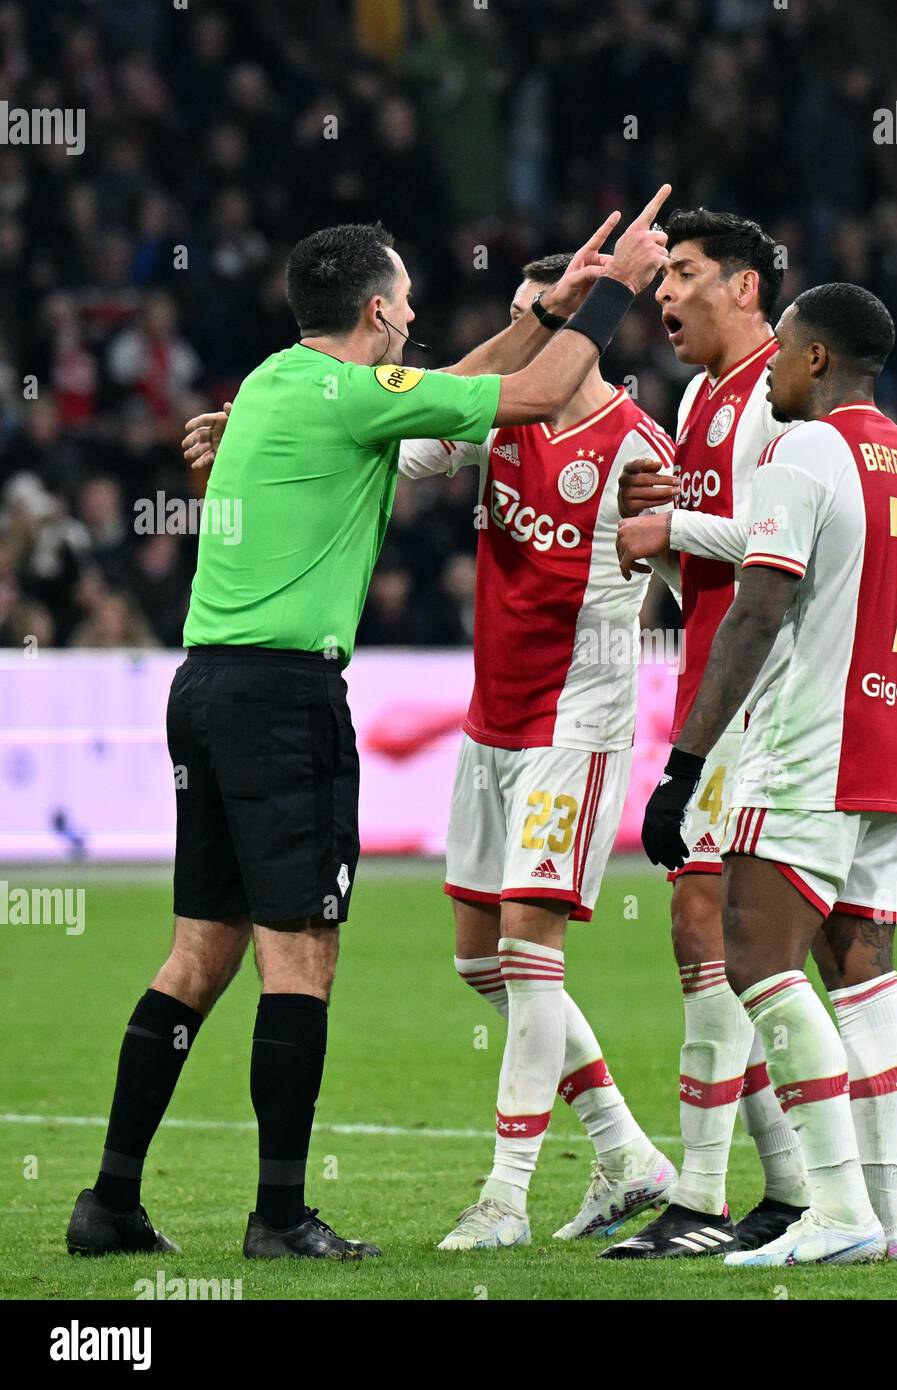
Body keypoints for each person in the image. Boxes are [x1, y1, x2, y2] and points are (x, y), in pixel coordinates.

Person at [65, 190, 671, 1260]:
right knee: (300, 958)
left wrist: (549, 302)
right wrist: (614, 285)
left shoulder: (271, 382)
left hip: (202, 689)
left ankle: (109, 1201)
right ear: (383, 313)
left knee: (198, 955)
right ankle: (282, 1214)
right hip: (282, 702)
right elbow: (523, 395)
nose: (413, 317)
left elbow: (463, 384)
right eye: (406, 303)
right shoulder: (349, 394)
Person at [639, 282, 897, 1267]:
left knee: (755, 956)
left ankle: (832, 1210)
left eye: (780, 349)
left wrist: (683, 763)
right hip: (895, 749)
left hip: (811, 744)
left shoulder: (801, 450)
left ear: (814, 357)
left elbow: (755, 608)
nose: (769, 367)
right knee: (861, 974)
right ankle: (886, 1221)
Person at [394, 252, 678, 1251]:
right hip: (492, 721)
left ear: (585, 324)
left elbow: (689, 578)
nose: (528, 325)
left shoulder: (638, 445)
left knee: (528, 946)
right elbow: (406, 449)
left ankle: (504, 1196)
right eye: (526, 310)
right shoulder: (500, 417)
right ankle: (626, 1151)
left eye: (544, 313)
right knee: (482, 962)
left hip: (578, 720)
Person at [601, 209, 814, 1260]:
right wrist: (657, 541)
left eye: (681, 273)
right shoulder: (693, 398)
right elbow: (706, 571)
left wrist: (669, 526)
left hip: (767, 699)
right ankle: (789, 1187)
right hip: (708, 692)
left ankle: (699, 1196)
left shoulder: (783, 397)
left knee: (710, 926)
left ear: (744, 286)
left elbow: (783, 549)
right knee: (723, 941)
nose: (663, 293)